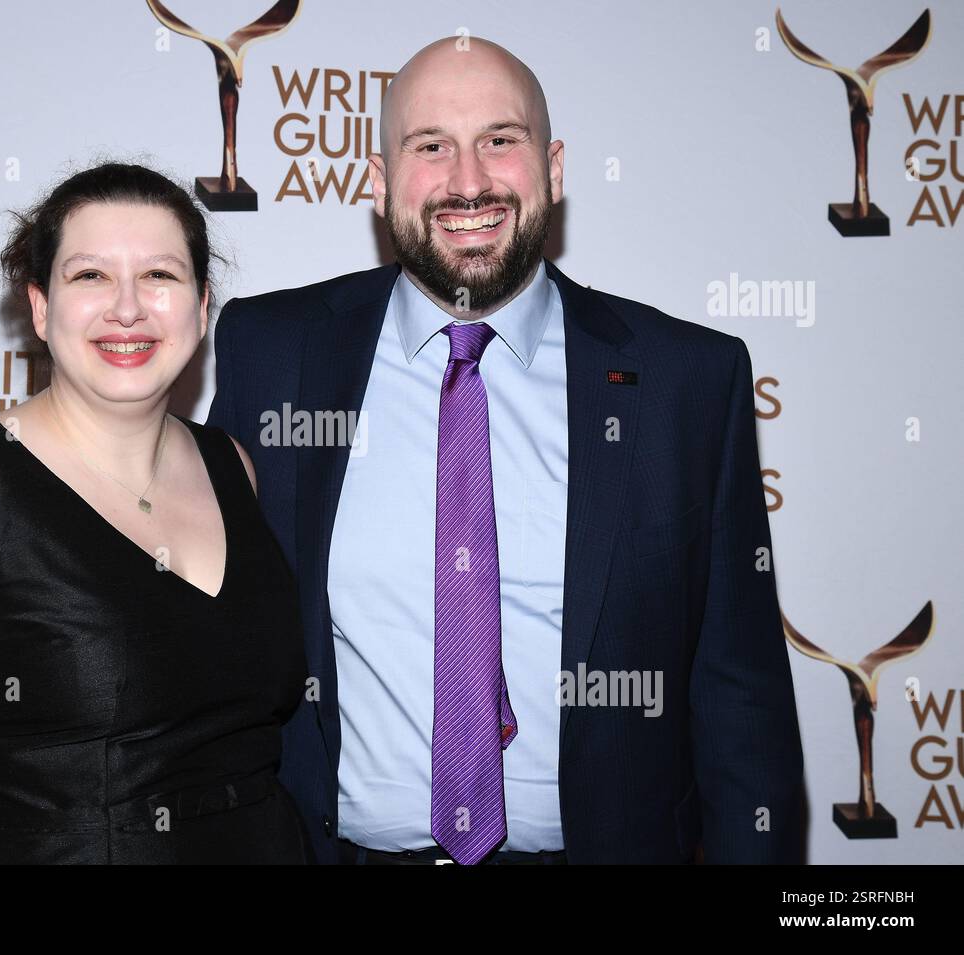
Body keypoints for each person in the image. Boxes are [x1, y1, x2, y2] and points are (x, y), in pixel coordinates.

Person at [207, 37, 806, 864]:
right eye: (430, 147)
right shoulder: (270, 352)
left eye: (501, 139)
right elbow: (213, 651)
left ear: (553, 168)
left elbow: (743, 701)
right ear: (379, 183)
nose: (468, 181)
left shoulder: (687, 381)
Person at [0, 162, 312, 864]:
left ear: (201, 308)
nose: (127, 308)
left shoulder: (233, 466)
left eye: (160, 276)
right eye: (90, 276)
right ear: (40, 307)